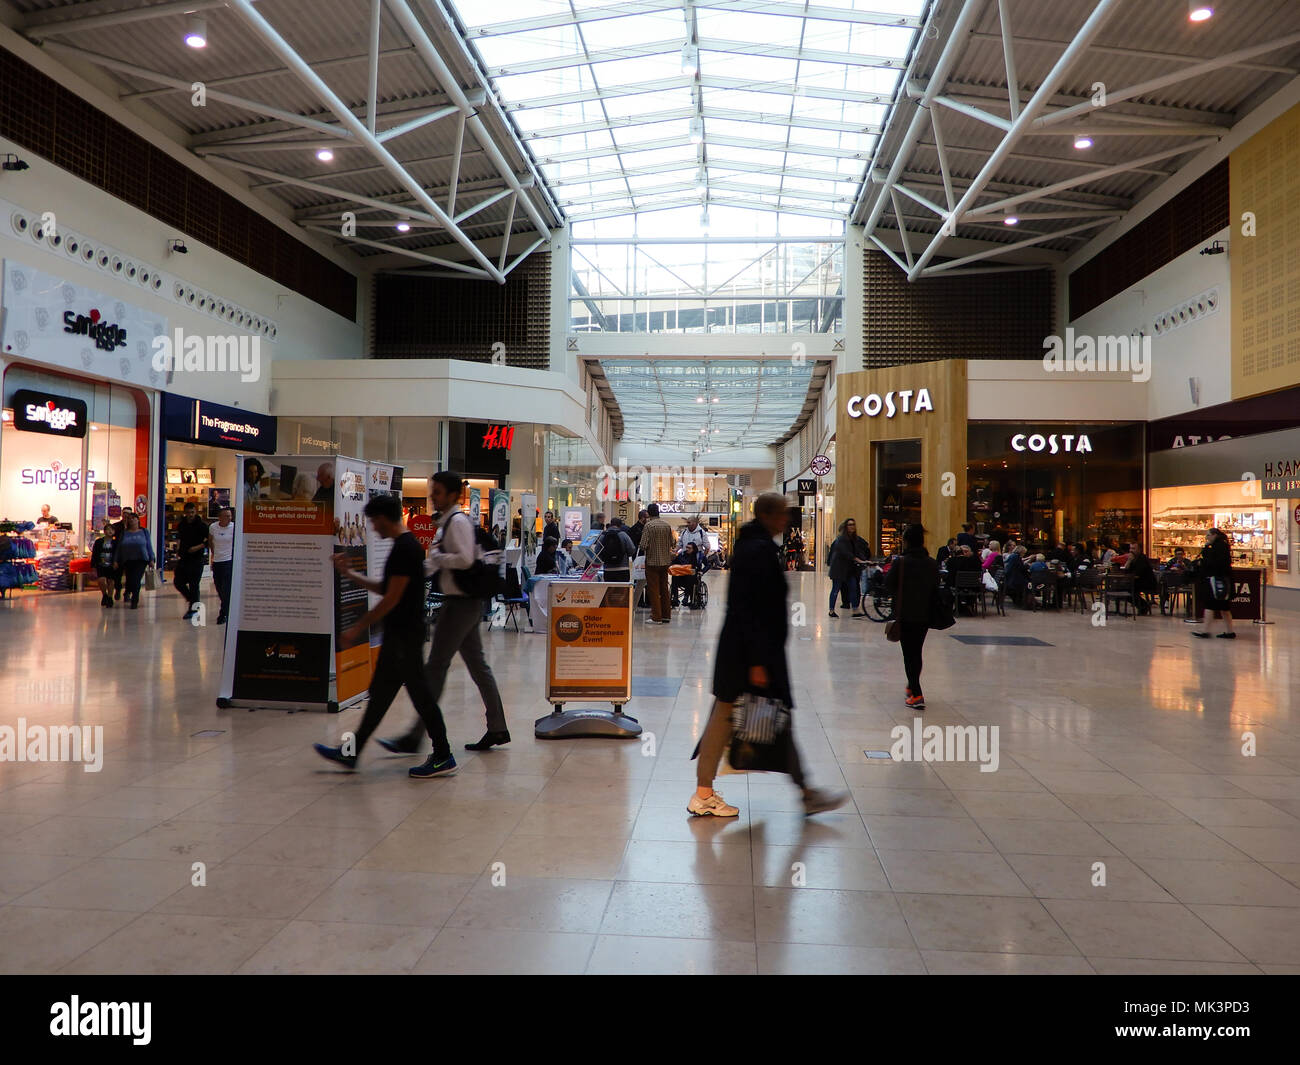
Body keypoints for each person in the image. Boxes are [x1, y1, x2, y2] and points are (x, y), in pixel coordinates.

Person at [690, 492, 845, 818]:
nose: (787, 521)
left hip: (746, 652)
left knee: (739, 718)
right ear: (770, 517)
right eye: (783, 515)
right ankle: (706, 793)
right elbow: (751, 610)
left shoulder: (754, 547)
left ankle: (803, 792)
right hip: (751, 655)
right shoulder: (757, 551)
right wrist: (759, 662)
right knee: (747, 719)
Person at [315, 494, 455, 777]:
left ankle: (443, 755)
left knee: (422, 697)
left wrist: (356, 627)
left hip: (405, 638)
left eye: (373, 521)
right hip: (399, 637)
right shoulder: (402, 546)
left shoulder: (406, 547)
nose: (372, 527)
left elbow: (391, 598)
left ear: (382, 518)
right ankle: (350, 753)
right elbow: (385, 588)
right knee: (379, 697)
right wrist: (351, 573)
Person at [381, 470, 510, 754]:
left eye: (437, 492)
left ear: (453, 495)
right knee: (478, 666)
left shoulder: (457, 521)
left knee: (436, 665)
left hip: (461, 604)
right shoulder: (448, 523)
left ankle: (415, 735)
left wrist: (437, 557)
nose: (433, 498)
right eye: (432, 492)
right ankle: (497, 727)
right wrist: (415, 573)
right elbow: (437, 565)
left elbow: (463, 559)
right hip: (463, 602)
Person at [884, 524, 941, 712]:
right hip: (924, 615)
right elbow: (935, 587)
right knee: (916, 651)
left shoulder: (901, 562)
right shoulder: (932, 563)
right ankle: (912, 686)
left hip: (905, 615)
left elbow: (889, 584)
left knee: (909, 654)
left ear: (907, 541)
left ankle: (916, 694)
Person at [1192, 527, 1235, 639]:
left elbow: (1211, 562)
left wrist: (1204, 555)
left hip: (1215, 580)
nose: (1207, 538)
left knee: (1210, 605)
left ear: (1214, 535)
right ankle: (1230, 631)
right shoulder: (1223, 545)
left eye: (1208, 535)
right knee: (1224, 607)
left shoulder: (1217, 547)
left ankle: (1205, 630)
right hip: (1224, 580)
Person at [826, 517, 870, 618]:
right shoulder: (841, 539)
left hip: (849, 569)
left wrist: (865, 560)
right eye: (850, 525)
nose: (852, 527)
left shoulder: (854, 539)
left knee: (853, 587)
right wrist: (860, 560)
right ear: (846, 527)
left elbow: (857, 552)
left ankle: (855, 609)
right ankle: (831, 610)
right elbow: (847, 554)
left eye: (853, 524)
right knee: (835, 589)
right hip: (839, 569)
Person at [640, 502, 674, 624]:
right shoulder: (666, 525)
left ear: (648, 513)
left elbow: (643, 545)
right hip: (665, 561)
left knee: (653, 590)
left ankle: (656, 617)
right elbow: (672, 542)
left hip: (652, 562)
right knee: (664, 588)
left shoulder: (649, 526)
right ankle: (666, 615)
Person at [174, 502, 207, 620]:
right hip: (184, 557)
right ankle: (191, 599)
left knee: (194, 584)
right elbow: (179, 537)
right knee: (178, 582)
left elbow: (207, 541)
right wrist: (178, 548)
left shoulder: (202, 525)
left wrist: (197, 548)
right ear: (185, 513)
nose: (190, 515)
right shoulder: (182, 525)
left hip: (197, 558)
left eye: (192, 512)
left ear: (195, 511)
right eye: (188, 512)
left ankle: (193, 608)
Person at [115, 513, 154, 609]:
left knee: (136, 580)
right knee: (130, 580)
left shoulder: (144, 532)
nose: (132, 520)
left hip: (141, 559)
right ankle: (128, 592)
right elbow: (119, 547)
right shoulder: (124, 533)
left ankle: (135, 600)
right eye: (130, 519)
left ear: (138, 520)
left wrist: (151, 559)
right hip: (128, 560)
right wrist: (116, 560)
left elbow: (148, 545)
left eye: (134, 518)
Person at [208, 506, 235, 624]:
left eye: (230, 516)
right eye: (227, 516)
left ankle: (223, 613)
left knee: (226, 589)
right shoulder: (213, 527)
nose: (229, 518)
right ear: (220, 517)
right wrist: (213, 555)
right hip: (217, 561)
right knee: (219, 588)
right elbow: (210, 541)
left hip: (229, 561)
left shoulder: (234, 527)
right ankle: (227, 609)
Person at [1123, 543, 1156, 616]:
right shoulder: (1133, 559)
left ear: (1139, 550)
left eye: (1133, 549)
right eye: (1130, 548)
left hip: (1147, 582)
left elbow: (1138, 572)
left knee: (1128, 590)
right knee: (1122, 588)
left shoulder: (1142, 559)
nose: (1131, 551)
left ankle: (1143, 606)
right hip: (1136, 581)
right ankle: (1142, 606)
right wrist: (1128, 561)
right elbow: (1126, 571)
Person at [599, 517, 635, 583]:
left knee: (609, 591)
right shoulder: (623, 535)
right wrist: (625, 556)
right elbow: (632, 549)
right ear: (620, 525)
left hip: (608, 569)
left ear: (610, 524)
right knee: (623, 591)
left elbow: (597, 551)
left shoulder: (603, 536)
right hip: (623, 568)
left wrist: (604, 558)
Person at [90, 519, 116, 608]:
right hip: (101, 564)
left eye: (112, 530)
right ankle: (104, 594)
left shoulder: (115, 543)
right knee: (101, 580)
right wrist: (93, 566)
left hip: (111, 565)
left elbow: (117, 553)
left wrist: (117, 562)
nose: (110, 531)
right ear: (104, 531)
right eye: (108, 529)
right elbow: (95, 554)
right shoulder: (99, 542)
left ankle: (110, 597)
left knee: (111, 581)